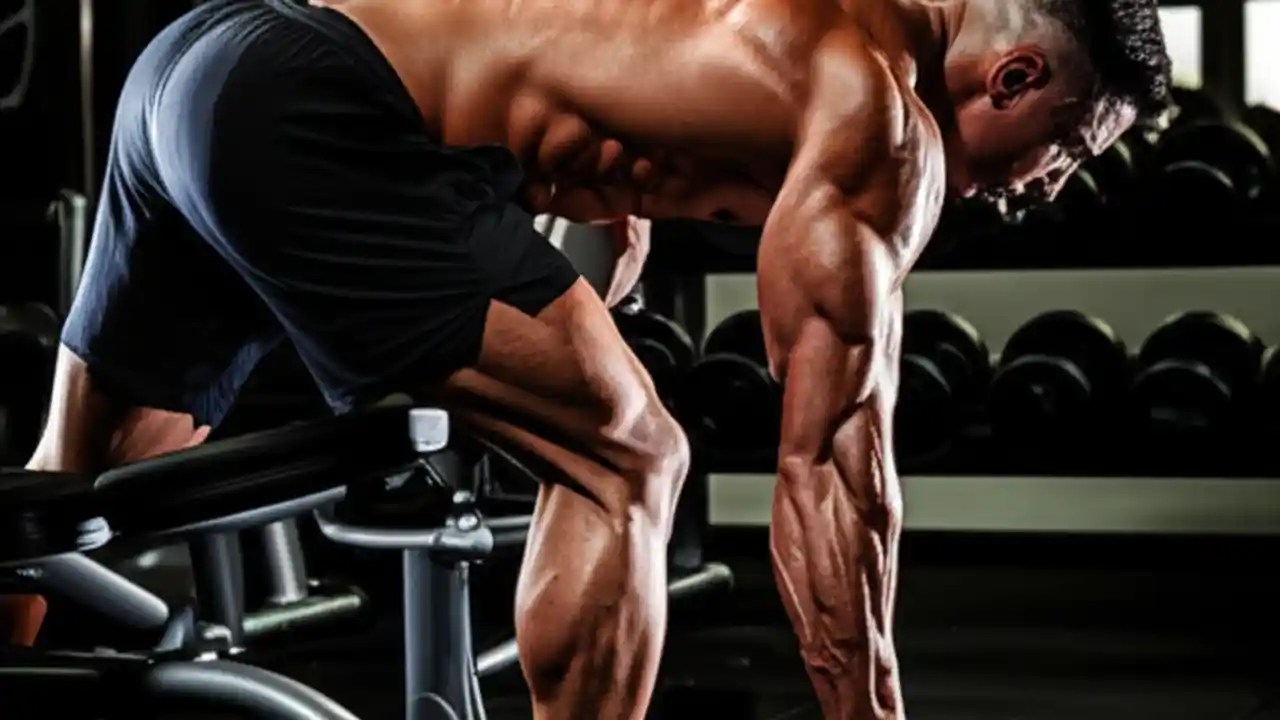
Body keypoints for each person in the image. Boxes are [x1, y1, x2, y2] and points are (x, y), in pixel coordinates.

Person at [10, 0, 1171, 717]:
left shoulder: (796, 25)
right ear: (1011, 77)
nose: (1043, 189)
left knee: (60, 497)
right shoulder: (882, 124)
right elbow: (831, 476)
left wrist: (608, 219)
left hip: (194, 62)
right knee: (630, 459)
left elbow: (582, 77)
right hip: (312, 107)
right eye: (1064, 147)